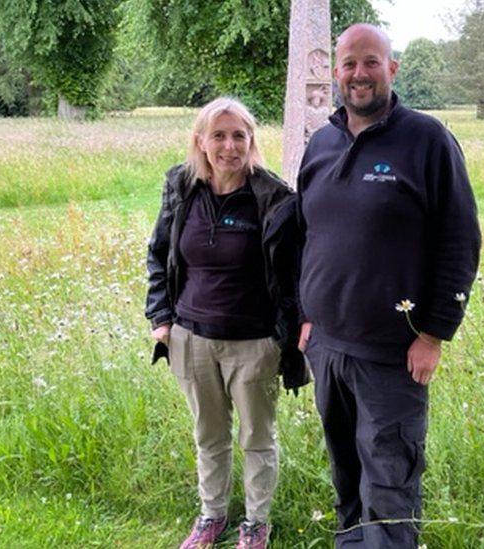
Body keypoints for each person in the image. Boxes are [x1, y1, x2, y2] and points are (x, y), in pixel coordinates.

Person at [296, 23, 481, 548]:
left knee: (390, 484)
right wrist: (305, 317)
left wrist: (433, 333)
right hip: (328, 349)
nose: (360, 74)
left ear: (392, 69)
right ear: (336, 73)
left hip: (393, 356)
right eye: (350, 64)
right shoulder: (321, 143)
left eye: (371, 62)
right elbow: (304, 234)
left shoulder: (427, 140)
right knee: (347, 476)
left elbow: (460, 240)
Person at [145, 97, 307, 549]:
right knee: (209, 436)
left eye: (239, 136)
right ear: (201, 141)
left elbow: (295, 274)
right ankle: (211, 515)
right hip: (191, 339)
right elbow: (159, 254)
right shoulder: (181, 188)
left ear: (251, 140)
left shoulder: (273, 198)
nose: (230, 146)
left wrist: (291, 333)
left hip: (254, 343)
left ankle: (256, 524)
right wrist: (161, 317)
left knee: (257, 438)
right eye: (219, 135)